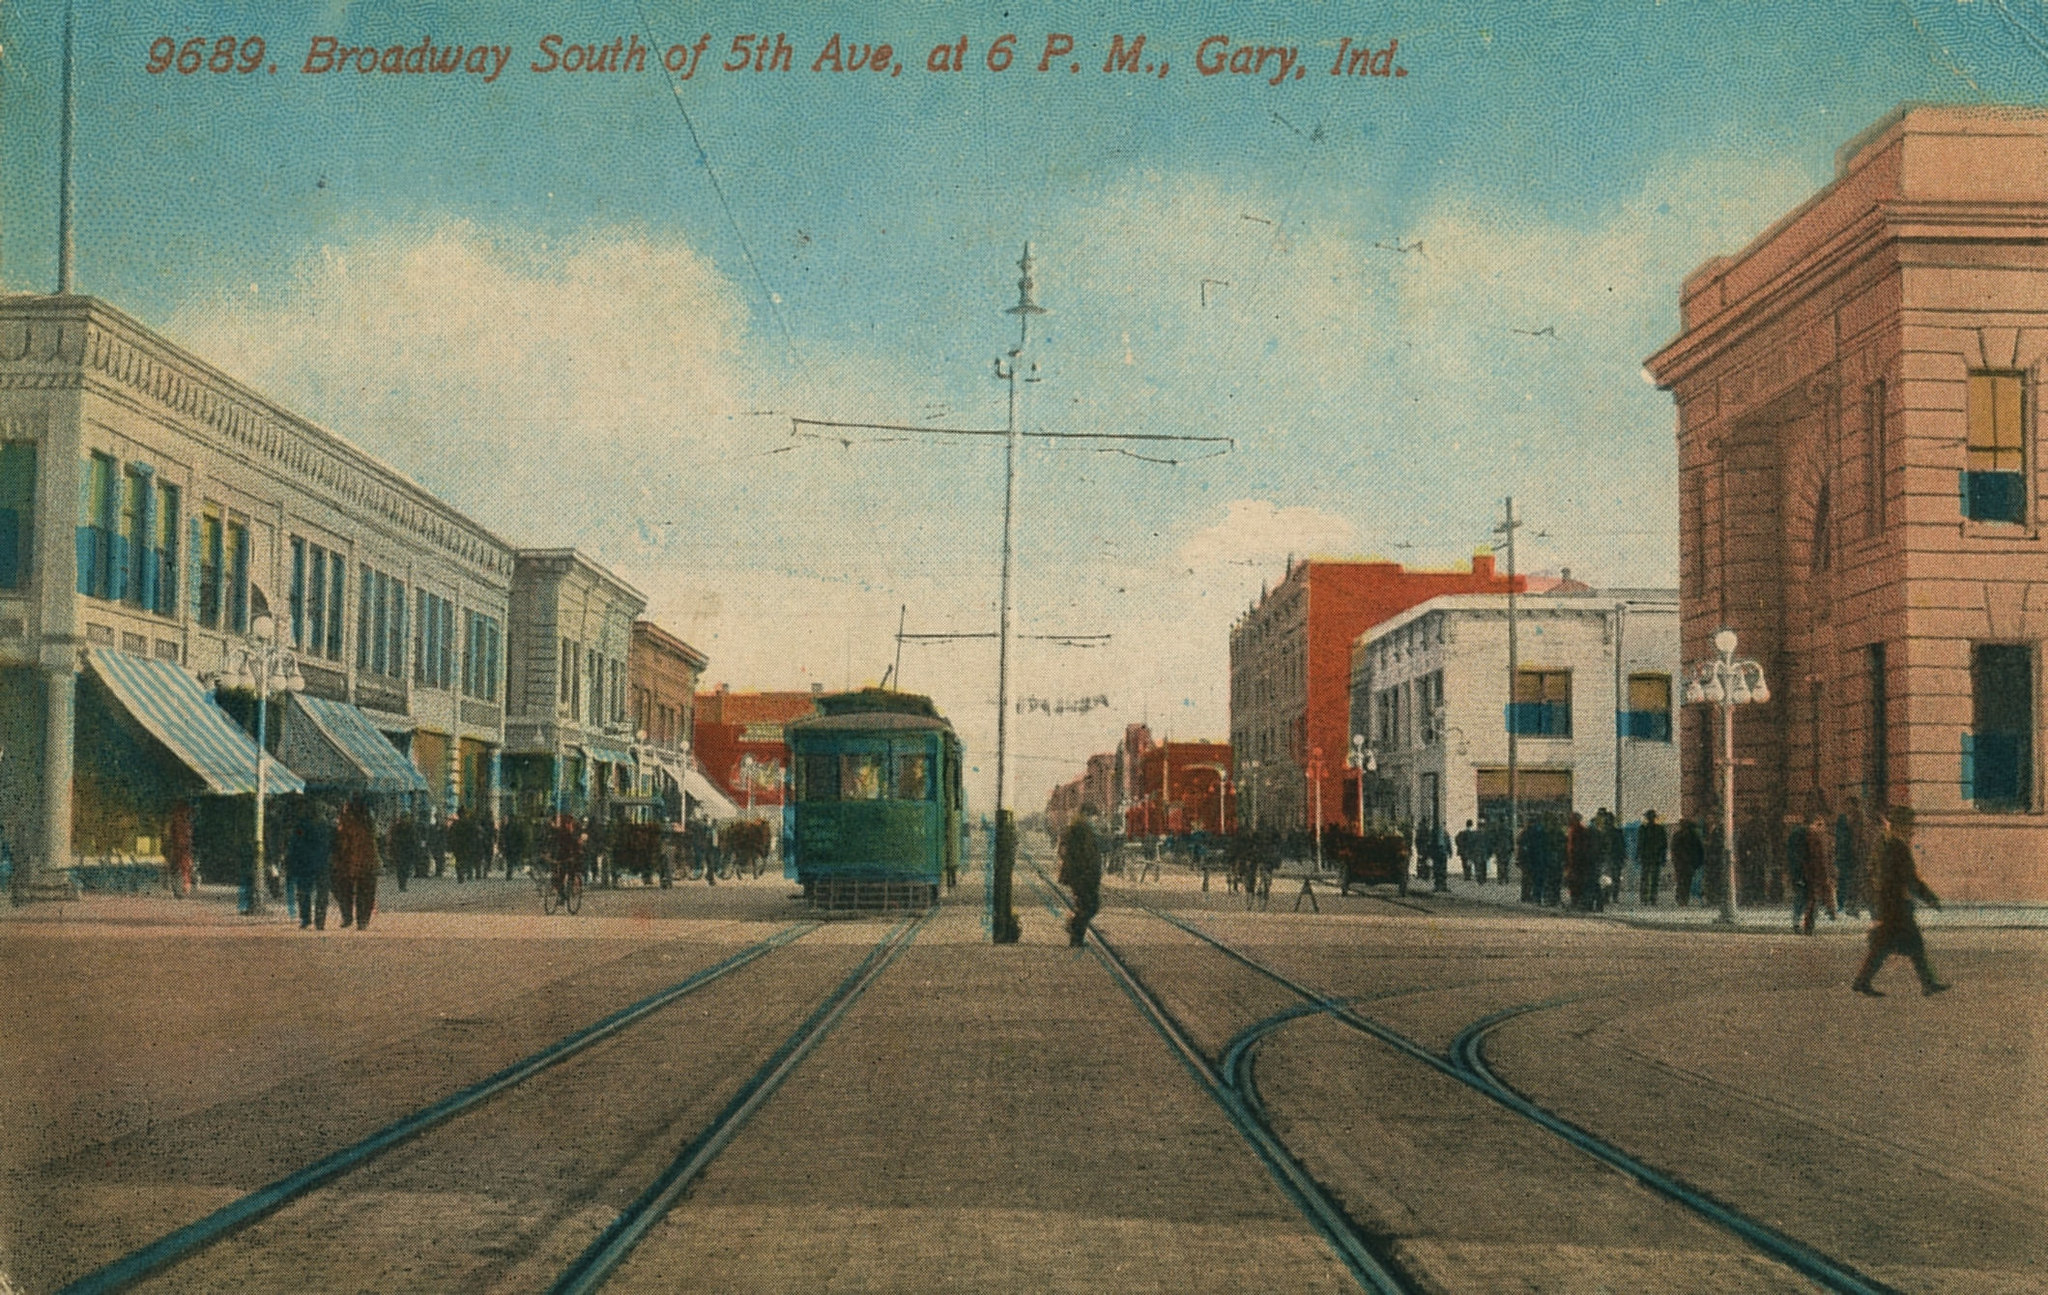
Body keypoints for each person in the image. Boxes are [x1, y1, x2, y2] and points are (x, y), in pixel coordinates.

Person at [1852, 805, 1947, 996]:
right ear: (1902, 825)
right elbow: (1910, 878)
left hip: (1889, 902)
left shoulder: (1887, 843)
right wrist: (1930, 898)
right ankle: (1927, 983)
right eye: (1910, 825)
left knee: (1892, 945)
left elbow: (1877, 871)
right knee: (1906, 944)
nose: (1912, 829)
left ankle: (1927, 983)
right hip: (1897, 904)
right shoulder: (1897, 846)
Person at [331, 796, 380, 930]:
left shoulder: (346, 824)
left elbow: (343, 845)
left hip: (348, 864)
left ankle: (347, 917)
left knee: (344, 892)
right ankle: (362, 920)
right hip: (368, 864)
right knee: (366, 893)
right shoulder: (370, 824)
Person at [284, 801, 335, 930]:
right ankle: (320, 921)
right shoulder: (327, 827)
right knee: (322, 894)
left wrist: (292, 862)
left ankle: (306, 919)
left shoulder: (301, 826)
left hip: (305, 864)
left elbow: (294, 845)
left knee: (304, 893)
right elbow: (333, 846)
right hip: (322, 864)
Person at [1058, 803, 1102, 946]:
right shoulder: (1081, 830)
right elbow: (1081, 853)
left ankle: (1075, 934)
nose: (1096, 820)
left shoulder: (1080, 829)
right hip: (1082, 874)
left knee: (1086, 905)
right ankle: (1075, 934)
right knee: (1090, 906)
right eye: (1094, 817)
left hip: (1081, 874)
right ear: (1087, 816)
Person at [1797, 808, 1838, 935]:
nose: (1822, 827)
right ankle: (1826, 913)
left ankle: (1824, 914)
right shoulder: (1816, 837)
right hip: (1817, 871)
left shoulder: (1812, 836)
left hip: (1814, 871)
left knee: (1814, 897)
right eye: (1820, 824)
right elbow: (1821, 856)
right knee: (1815, 897)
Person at [1834, 796, 1866, 919]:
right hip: (1843, 852)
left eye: (1851, 805)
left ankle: (1852, 906)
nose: (1848, 807)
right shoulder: (1841, 819)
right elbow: (1838, 836)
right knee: (1842, 879)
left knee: (1854, 880)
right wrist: (1836, 851)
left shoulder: (1859, 818)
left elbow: (1860, 835)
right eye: (1847, 805)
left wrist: (1858, 850)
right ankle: (1841, 904)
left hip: (1855, 853)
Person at [164, 800, 195, 898]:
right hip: (180, 847)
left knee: (181, 868)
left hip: (180, 847)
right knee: (182, 868)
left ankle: (180, 889)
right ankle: (180, 888)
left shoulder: (181, 822)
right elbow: (175, 835)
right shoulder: (180, 822)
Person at [1669, 815, 1702, 908]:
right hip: (1687, 862)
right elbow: (1699, 849)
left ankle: (1681, 899)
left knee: (1682, 881)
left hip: (1682, 862)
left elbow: (1674, 849)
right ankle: (1683, 899)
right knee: (1686, 881)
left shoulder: (1679, 835)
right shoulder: (1693, 835)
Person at [1637, 810, 1668, 906]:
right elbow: (1664, 845)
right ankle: (1650, 898)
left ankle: (1646, 898)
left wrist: (1639, 855)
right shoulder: (1659, 829)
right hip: (1653, 857)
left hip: (1650, 857)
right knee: (1652, 878)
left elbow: (1640, 844)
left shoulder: (1644, 829)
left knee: (1647, 878)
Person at [1455, 819, 1481, 883]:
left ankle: (1467, 876)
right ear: (1472, 825)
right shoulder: (1474, 833)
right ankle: (1473, 875)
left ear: (1466, 825)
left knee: (1465, 863)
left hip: (1464, 851)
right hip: (1472, 851)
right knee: (1472, 863)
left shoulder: (1462, 833)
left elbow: (1457, 840)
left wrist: (1461, 847)